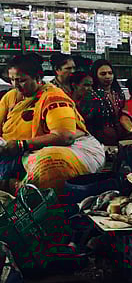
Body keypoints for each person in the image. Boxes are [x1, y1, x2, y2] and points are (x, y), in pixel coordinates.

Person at [0, 53, 105, 191]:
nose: (16, 85)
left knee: (48, 163)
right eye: (12, 80)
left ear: (37, 78)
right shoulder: (11, 97)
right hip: (12, 151)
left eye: (22, 80)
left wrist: (21, 144)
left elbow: (65, 136)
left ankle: (22, 189)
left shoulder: (53, 96)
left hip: (61, 147)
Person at [86, 59, 132, 145]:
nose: (108, 76)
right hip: (99, 141)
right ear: (95, 76)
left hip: (121, 137)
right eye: (103, 74)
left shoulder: (118, 93)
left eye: (110, 73)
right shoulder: (91, 95)